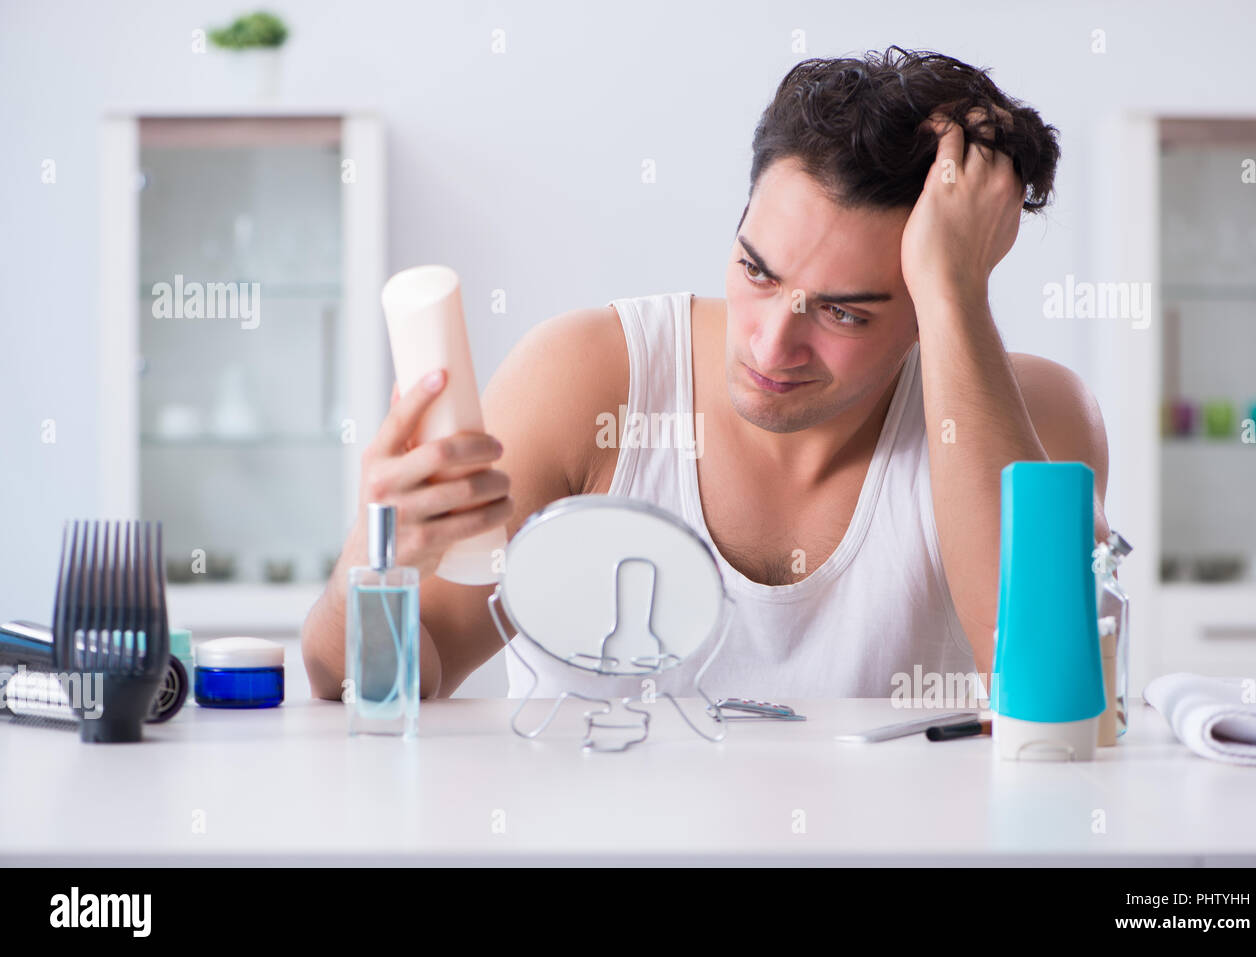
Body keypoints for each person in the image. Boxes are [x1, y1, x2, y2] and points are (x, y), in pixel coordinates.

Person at [302, 46, 1110, 702]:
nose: (769, 345)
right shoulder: (590, 380)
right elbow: (365, 680)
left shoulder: (1037, 420)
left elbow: (1050, 698)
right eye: (757, 271)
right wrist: (370, 568)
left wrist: (956, 293)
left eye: (844, 313)